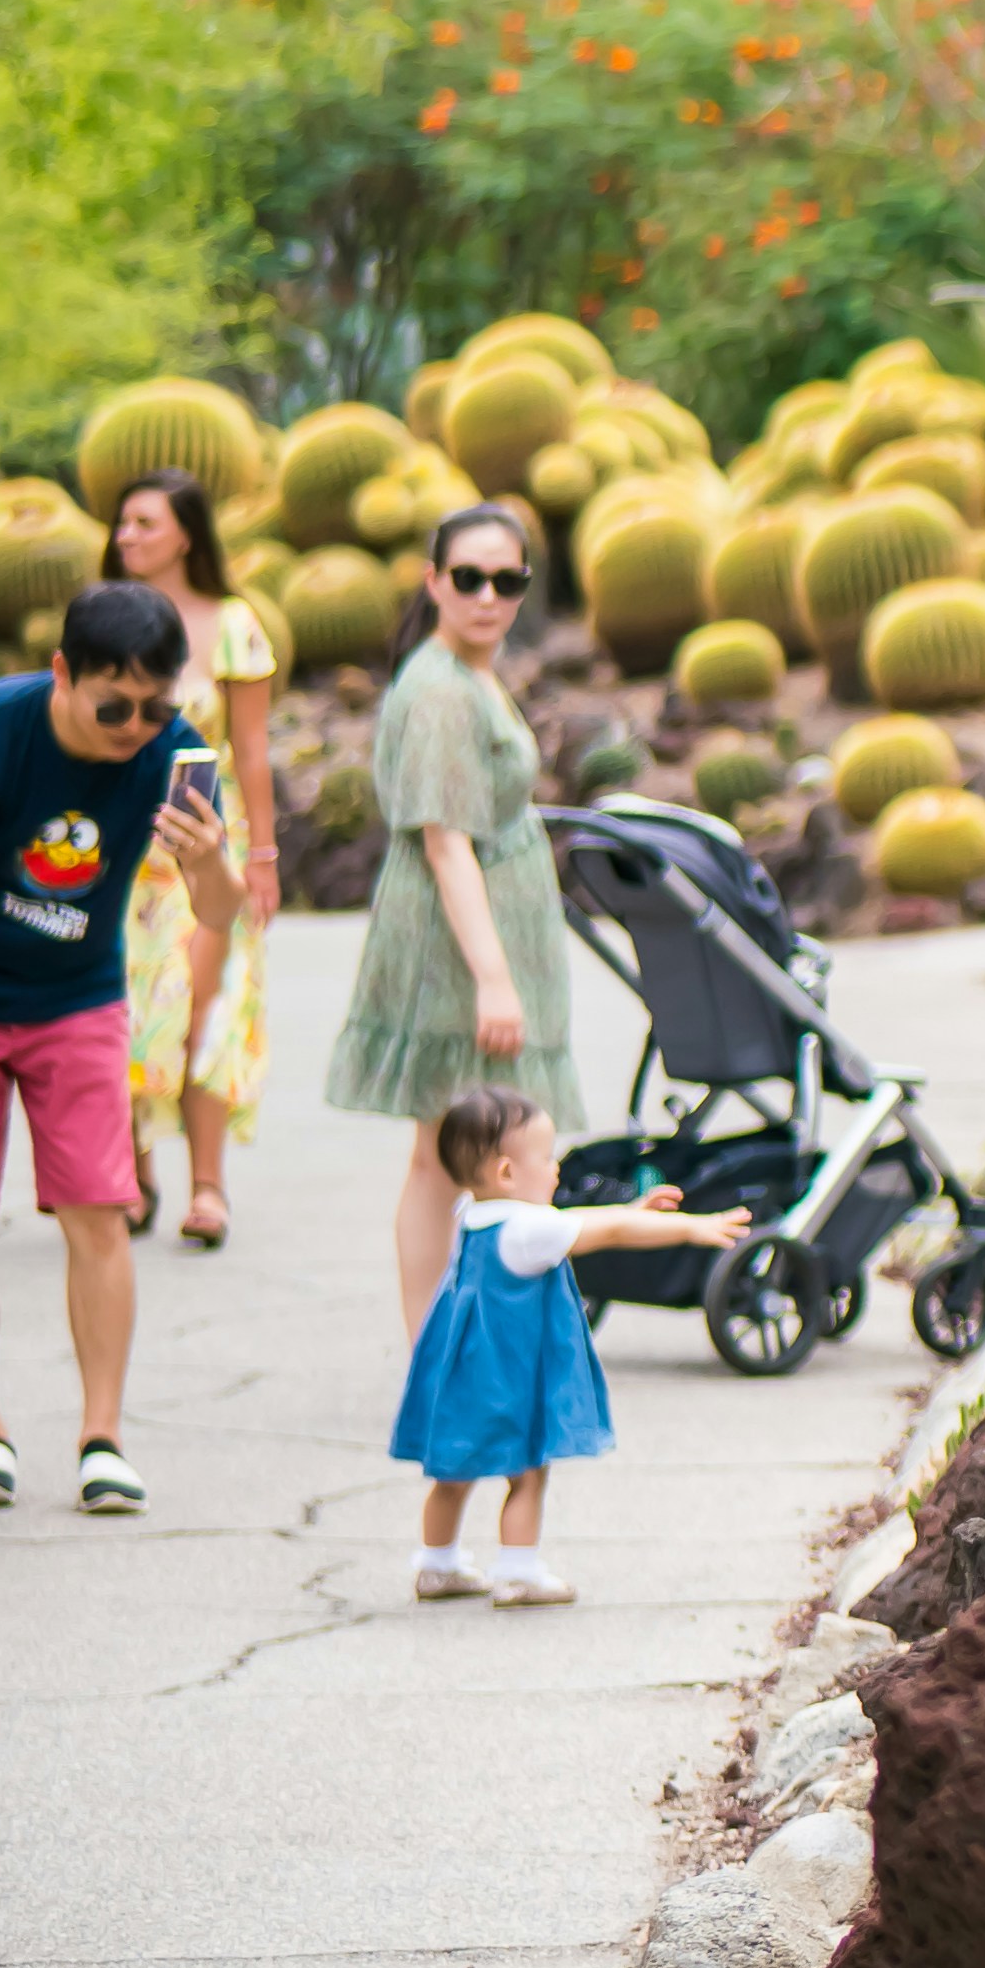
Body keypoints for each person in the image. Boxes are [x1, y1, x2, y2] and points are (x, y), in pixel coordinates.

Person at [0, 576, 239, 1513]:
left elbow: (222, 914)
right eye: (112, 704)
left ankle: (102, 1438)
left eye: (157, 705)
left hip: (76, 998)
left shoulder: (175, 753)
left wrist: (211, 871)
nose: (134, 727)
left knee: (99, 1208)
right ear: (61, 675)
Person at [327, 498, 580, 1346]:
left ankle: (456, 1345)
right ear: (434, 581)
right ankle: (436, 1349)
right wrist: (495, 978)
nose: (488, 596)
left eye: (507, 580)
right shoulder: (439, 689)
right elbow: (445, 844)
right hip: (454, 948)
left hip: (475, 938)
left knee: (462, 1153)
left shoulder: (469, 672)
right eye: (468, 577)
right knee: (449, 1157)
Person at [389, 1086, 714, 1603]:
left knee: (452, 1473)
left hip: (464, 1372)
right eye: (546, 1157)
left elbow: (597, 1221)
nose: (557, 1167)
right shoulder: (525, 1229)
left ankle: (437, 1563)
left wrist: (634, 1208)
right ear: (506, 1174)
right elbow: (608, 1232)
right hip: (509, 1376)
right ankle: (518, 1572)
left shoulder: (470, 1215)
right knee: (528, 1471)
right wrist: (689, 1229)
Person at [97, 471, 291, 1248]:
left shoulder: (235, 625)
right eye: (122, 523)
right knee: (121, 1014)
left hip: (208, 857)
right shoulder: (102, 622)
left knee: (207, 1005)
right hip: (113, 859)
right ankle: (132, 1172)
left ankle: (207, 1187)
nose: (128, 536)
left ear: (186, 533)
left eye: (145, 523)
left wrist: (265, 859)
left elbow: (251, 750)